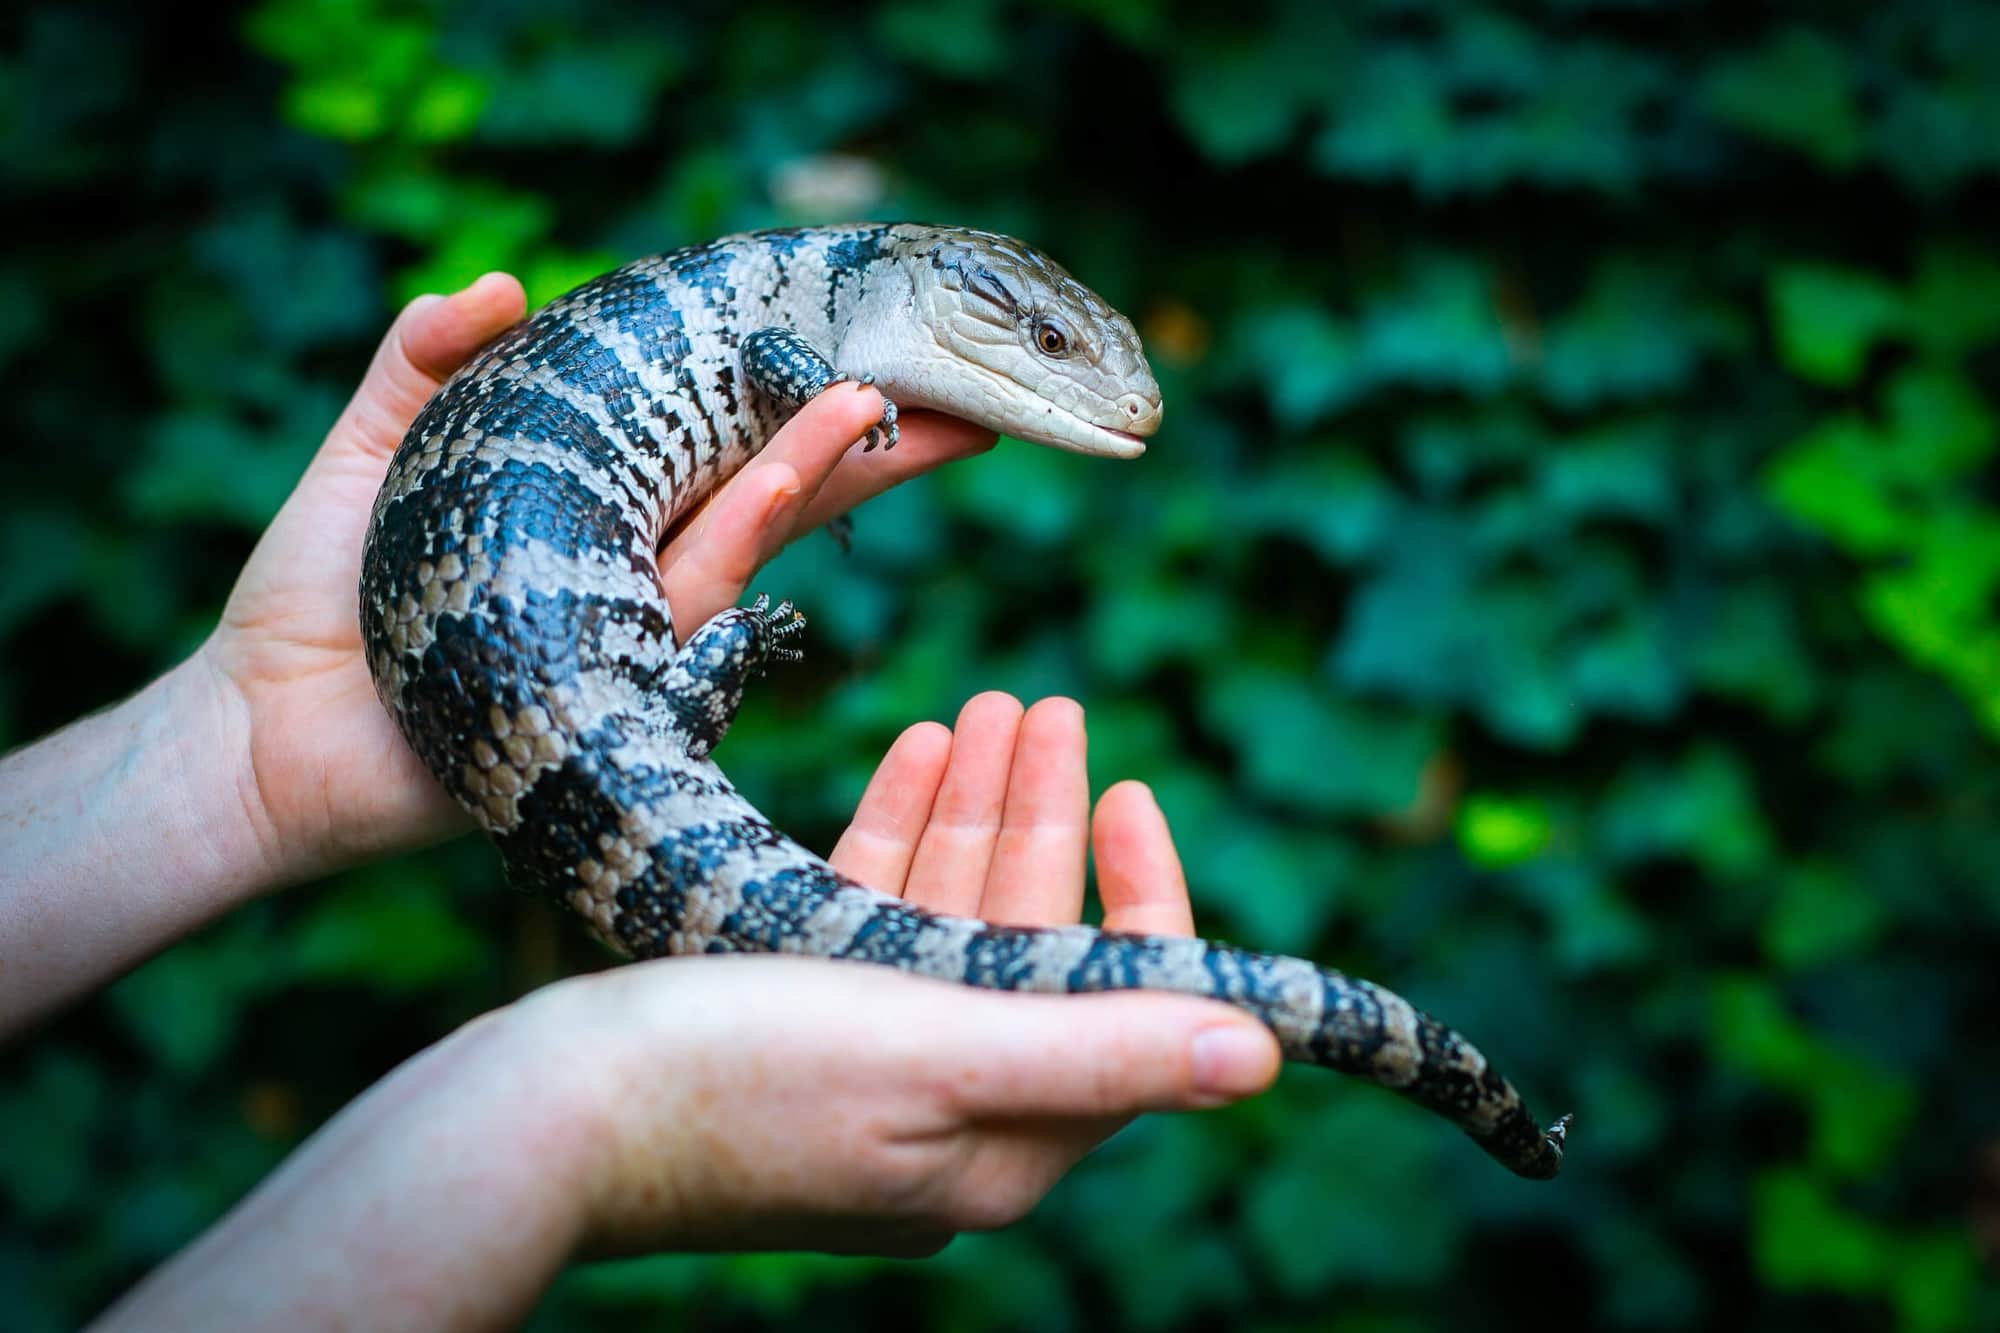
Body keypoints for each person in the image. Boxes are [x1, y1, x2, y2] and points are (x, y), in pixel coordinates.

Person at [0, 275, 1280, 1329]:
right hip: (553, 666)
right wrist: (589, 1113)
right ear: (936, 287)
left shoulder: (812, 306)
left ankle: (702, 675)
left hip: (533, 653)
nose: (1104, 384)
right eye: (1046, 340)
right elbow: (789, 364)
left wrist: (234, 750)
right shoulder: (808, 312)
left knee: (654, 741)